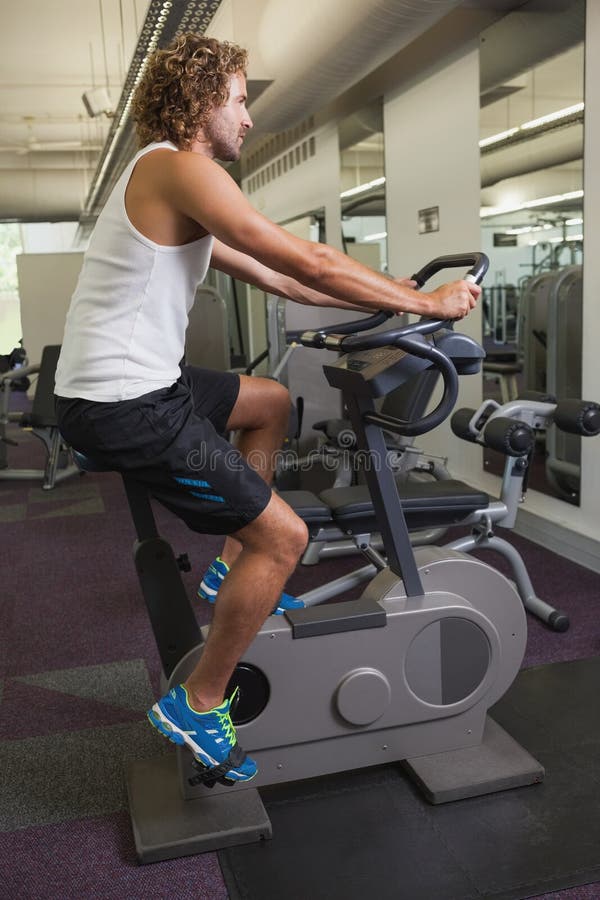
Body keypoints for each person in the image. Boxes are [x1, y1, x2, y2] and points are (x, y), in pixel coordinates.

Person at [54, 33, 480, 785]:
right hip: (123, 404)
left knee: (272, 400)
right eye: (241, 99)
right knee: (283, 538)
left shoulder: (170, 182)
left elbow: (286, 282)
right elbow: (300, 256)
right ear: (201, 97)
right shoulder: (179, 170)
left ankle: (228, 570)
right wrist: (425, 302)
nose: (247, 118)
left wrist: (392, 290)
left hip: (147, 382)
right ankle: (199, 701)